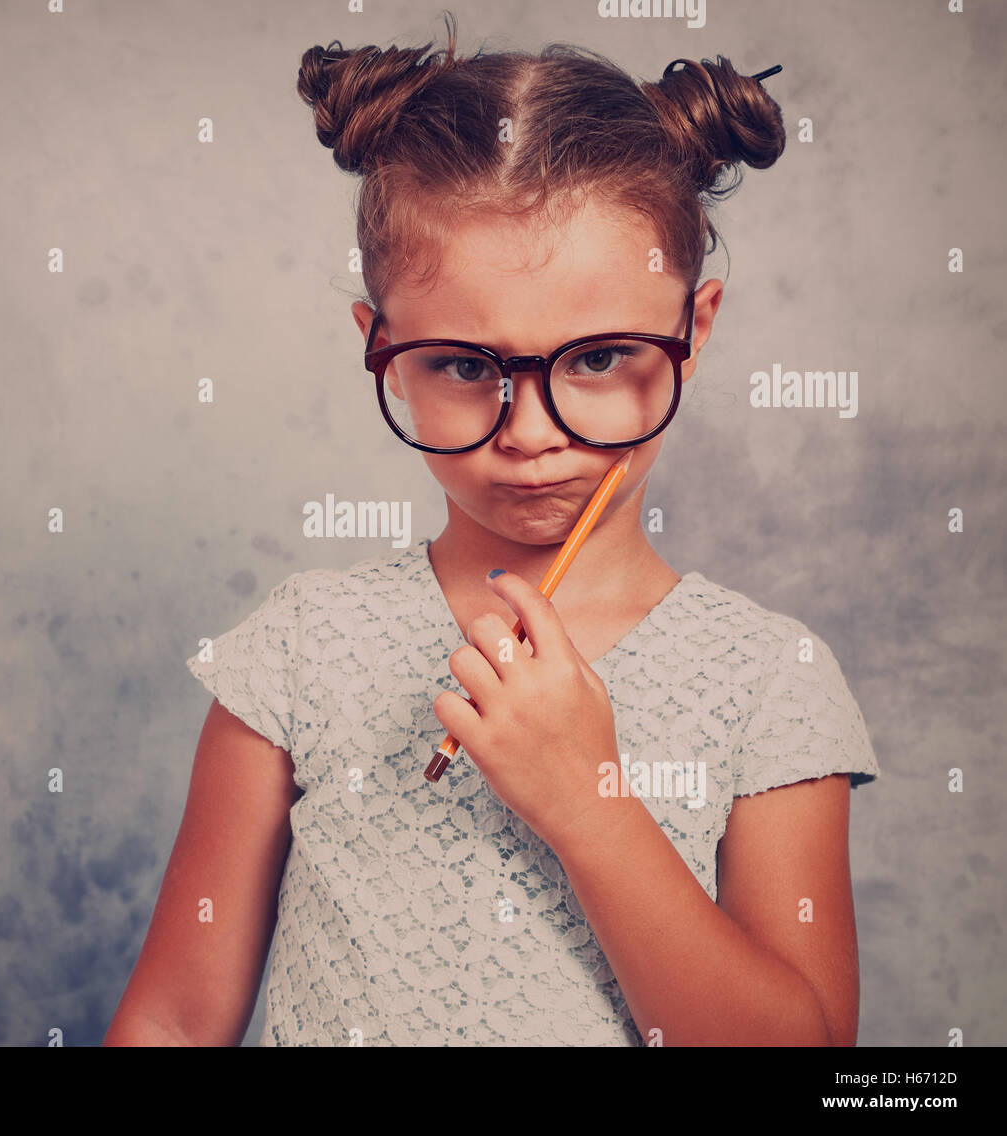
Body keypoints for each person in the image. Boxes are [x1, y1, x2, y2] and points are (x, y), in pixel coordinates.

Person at [103, 12, 880, 1047]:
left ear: (691, 332)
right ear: (380, 348)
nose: (528, 435)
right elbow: (172, 1019)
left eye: (598, 358)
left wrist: (586, 799)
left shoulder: (770, 679)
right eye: (467, 366)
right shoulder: (297, 650)